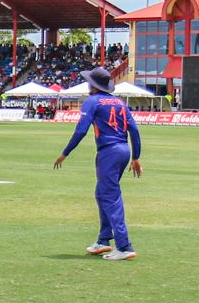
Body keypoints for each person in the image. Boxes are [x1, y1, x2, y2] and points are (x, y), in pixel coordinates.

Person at [53, 67, 142, 261]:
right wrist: (136, 157)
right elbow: (134, 130)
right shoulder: (119, 102)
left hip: (108, 152)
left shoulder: (92, 101)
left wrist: (65, 153)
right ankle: (103, 240)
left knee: (110, 196)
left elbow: (81, 130)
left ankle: (124, 246)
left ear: (92, 84)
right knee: (102, 193)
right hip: (123, 151)